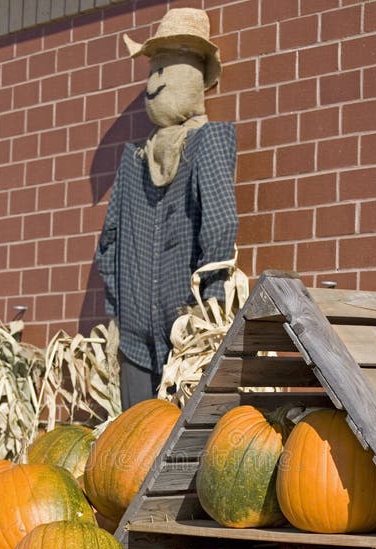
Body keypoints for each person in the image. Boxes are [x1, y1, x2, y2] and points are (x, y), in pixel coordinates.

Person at [95, 8, 238, 410]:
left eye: (167, 69)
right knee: (134, 437)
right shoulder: (134, 161)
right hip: (135, 340)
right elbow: (109, 241)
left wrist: (210, 309)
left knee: (181, 437)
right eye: (154, 69)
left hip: (187, 338)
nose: (156, 81)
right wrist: (120, 310)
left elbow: (220, 227)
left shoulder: (206, 144)